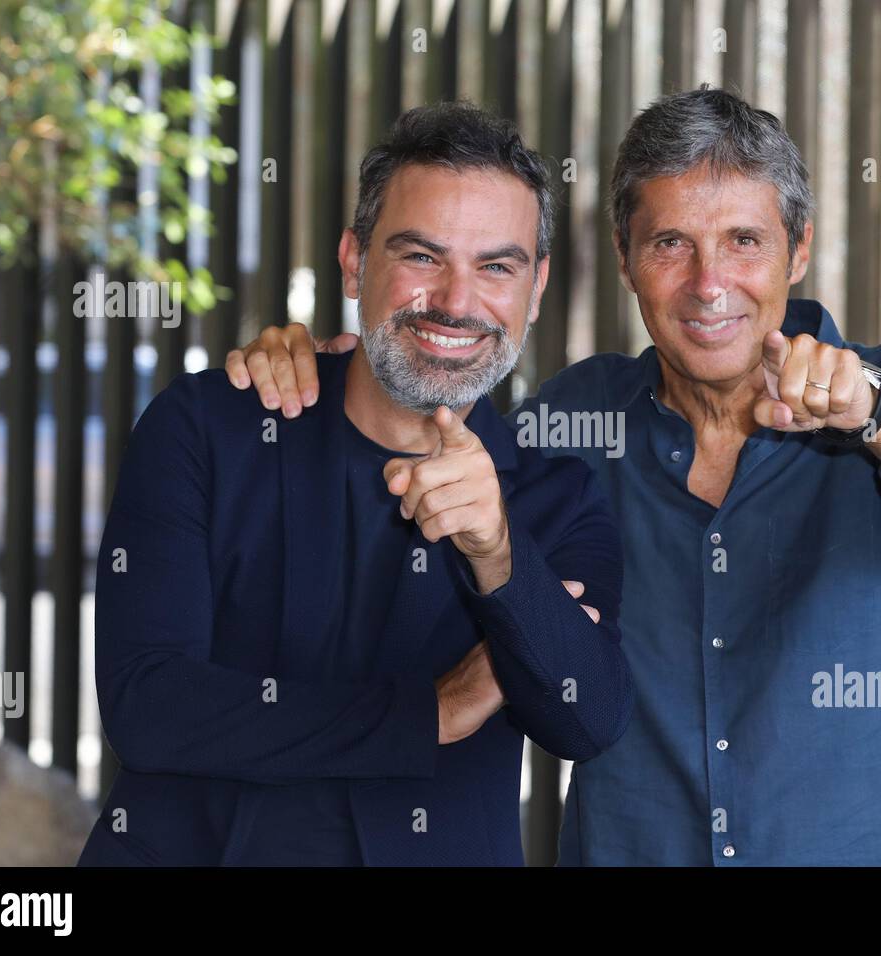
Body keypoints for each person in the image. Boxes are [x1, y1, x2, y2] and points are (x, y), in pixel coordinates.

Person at [228, 87, 881, 866]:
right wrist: (330, 372)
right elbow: (419, 465)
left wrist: (871, 412)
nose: (709, 284)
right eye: (671, 243)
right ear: (626, 257)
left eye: (744, 241)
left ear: (797, 249)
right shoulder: (573, 417)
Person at [78, 102, 634, 867]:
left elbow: (588, 719)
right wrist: (428, 713)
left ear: (535, 290)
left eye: (496, 266)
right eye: (422, 256)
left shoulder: (556, 502)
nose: (457, 301)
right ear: (353, 262)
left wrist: (500, 557)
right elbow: (148, 707)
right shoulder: (207, 429)